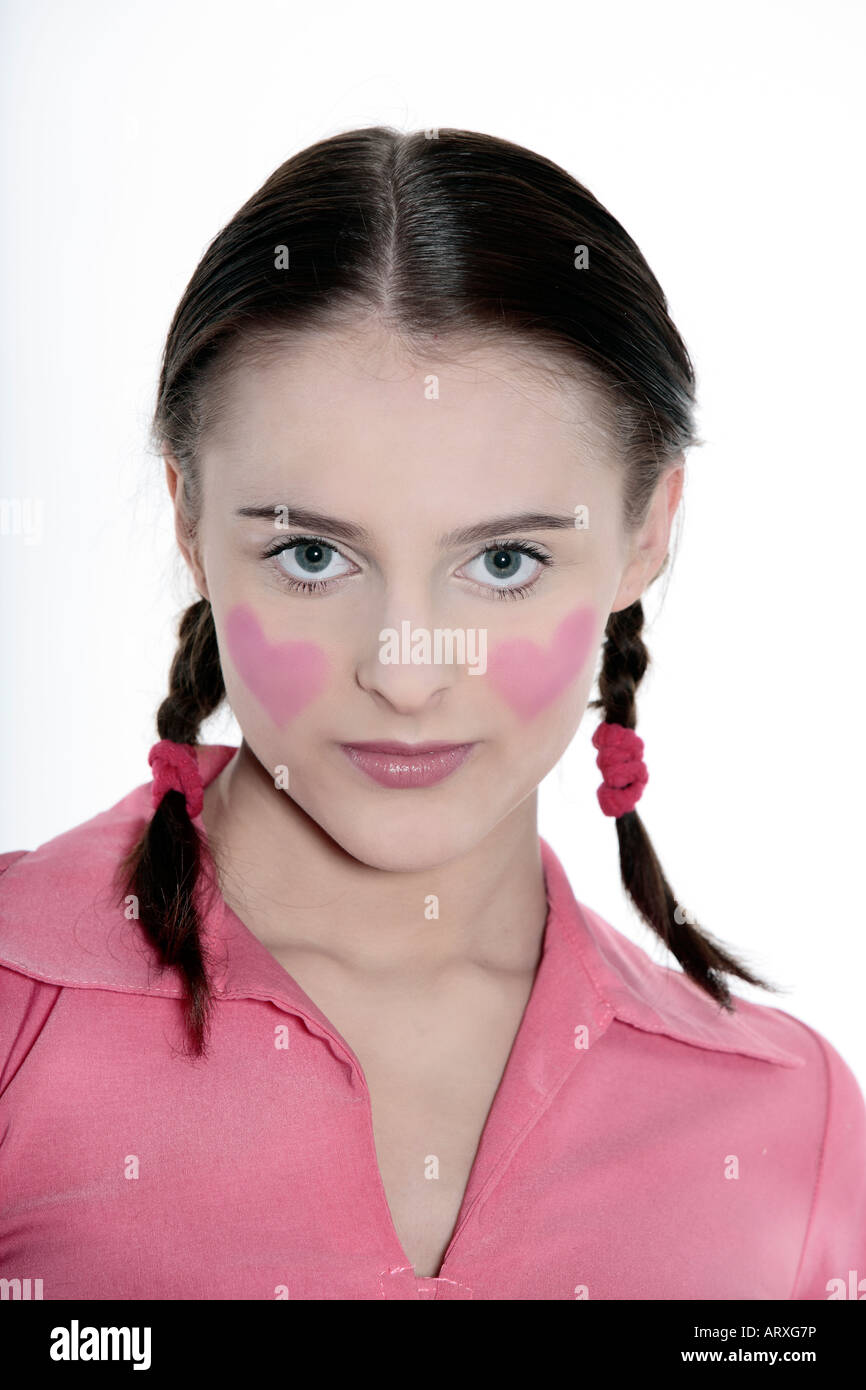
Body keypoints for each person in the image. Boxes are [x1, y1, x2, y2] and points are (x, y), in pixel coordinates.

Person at [1, 127, 864, 1301]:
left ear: (647, 529)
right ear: (190, 521)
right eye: (311, 554)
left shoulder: (786, 1122)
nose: (405, 674)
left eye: (502, 561)